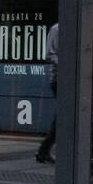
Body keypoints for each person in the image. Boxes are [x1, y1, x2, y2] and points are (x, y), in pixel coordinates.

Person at [36, 22, 58, 164]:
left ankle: (44, 151)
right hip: (59, 78)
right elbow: (49, 55)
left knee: (62, 117)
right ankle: (43, 151)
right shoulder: (56, 29)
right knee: (63, 117)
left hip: (65, 78)